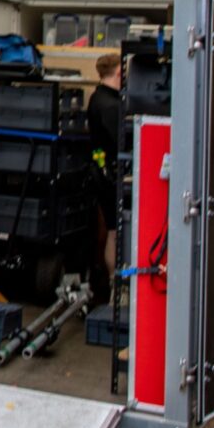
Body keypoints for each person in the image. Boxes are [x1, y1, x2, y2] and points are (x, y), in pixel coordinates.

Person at [87, 53, 124, 302]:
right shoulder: (111, 105)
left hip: (100, 171)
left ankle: (114, 284)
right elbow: (119, 141)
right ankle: (116, 286)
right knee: (115, 230)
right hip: (110, 175)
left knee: (112, 229)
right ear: (119, 72)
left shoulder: (96, 97)